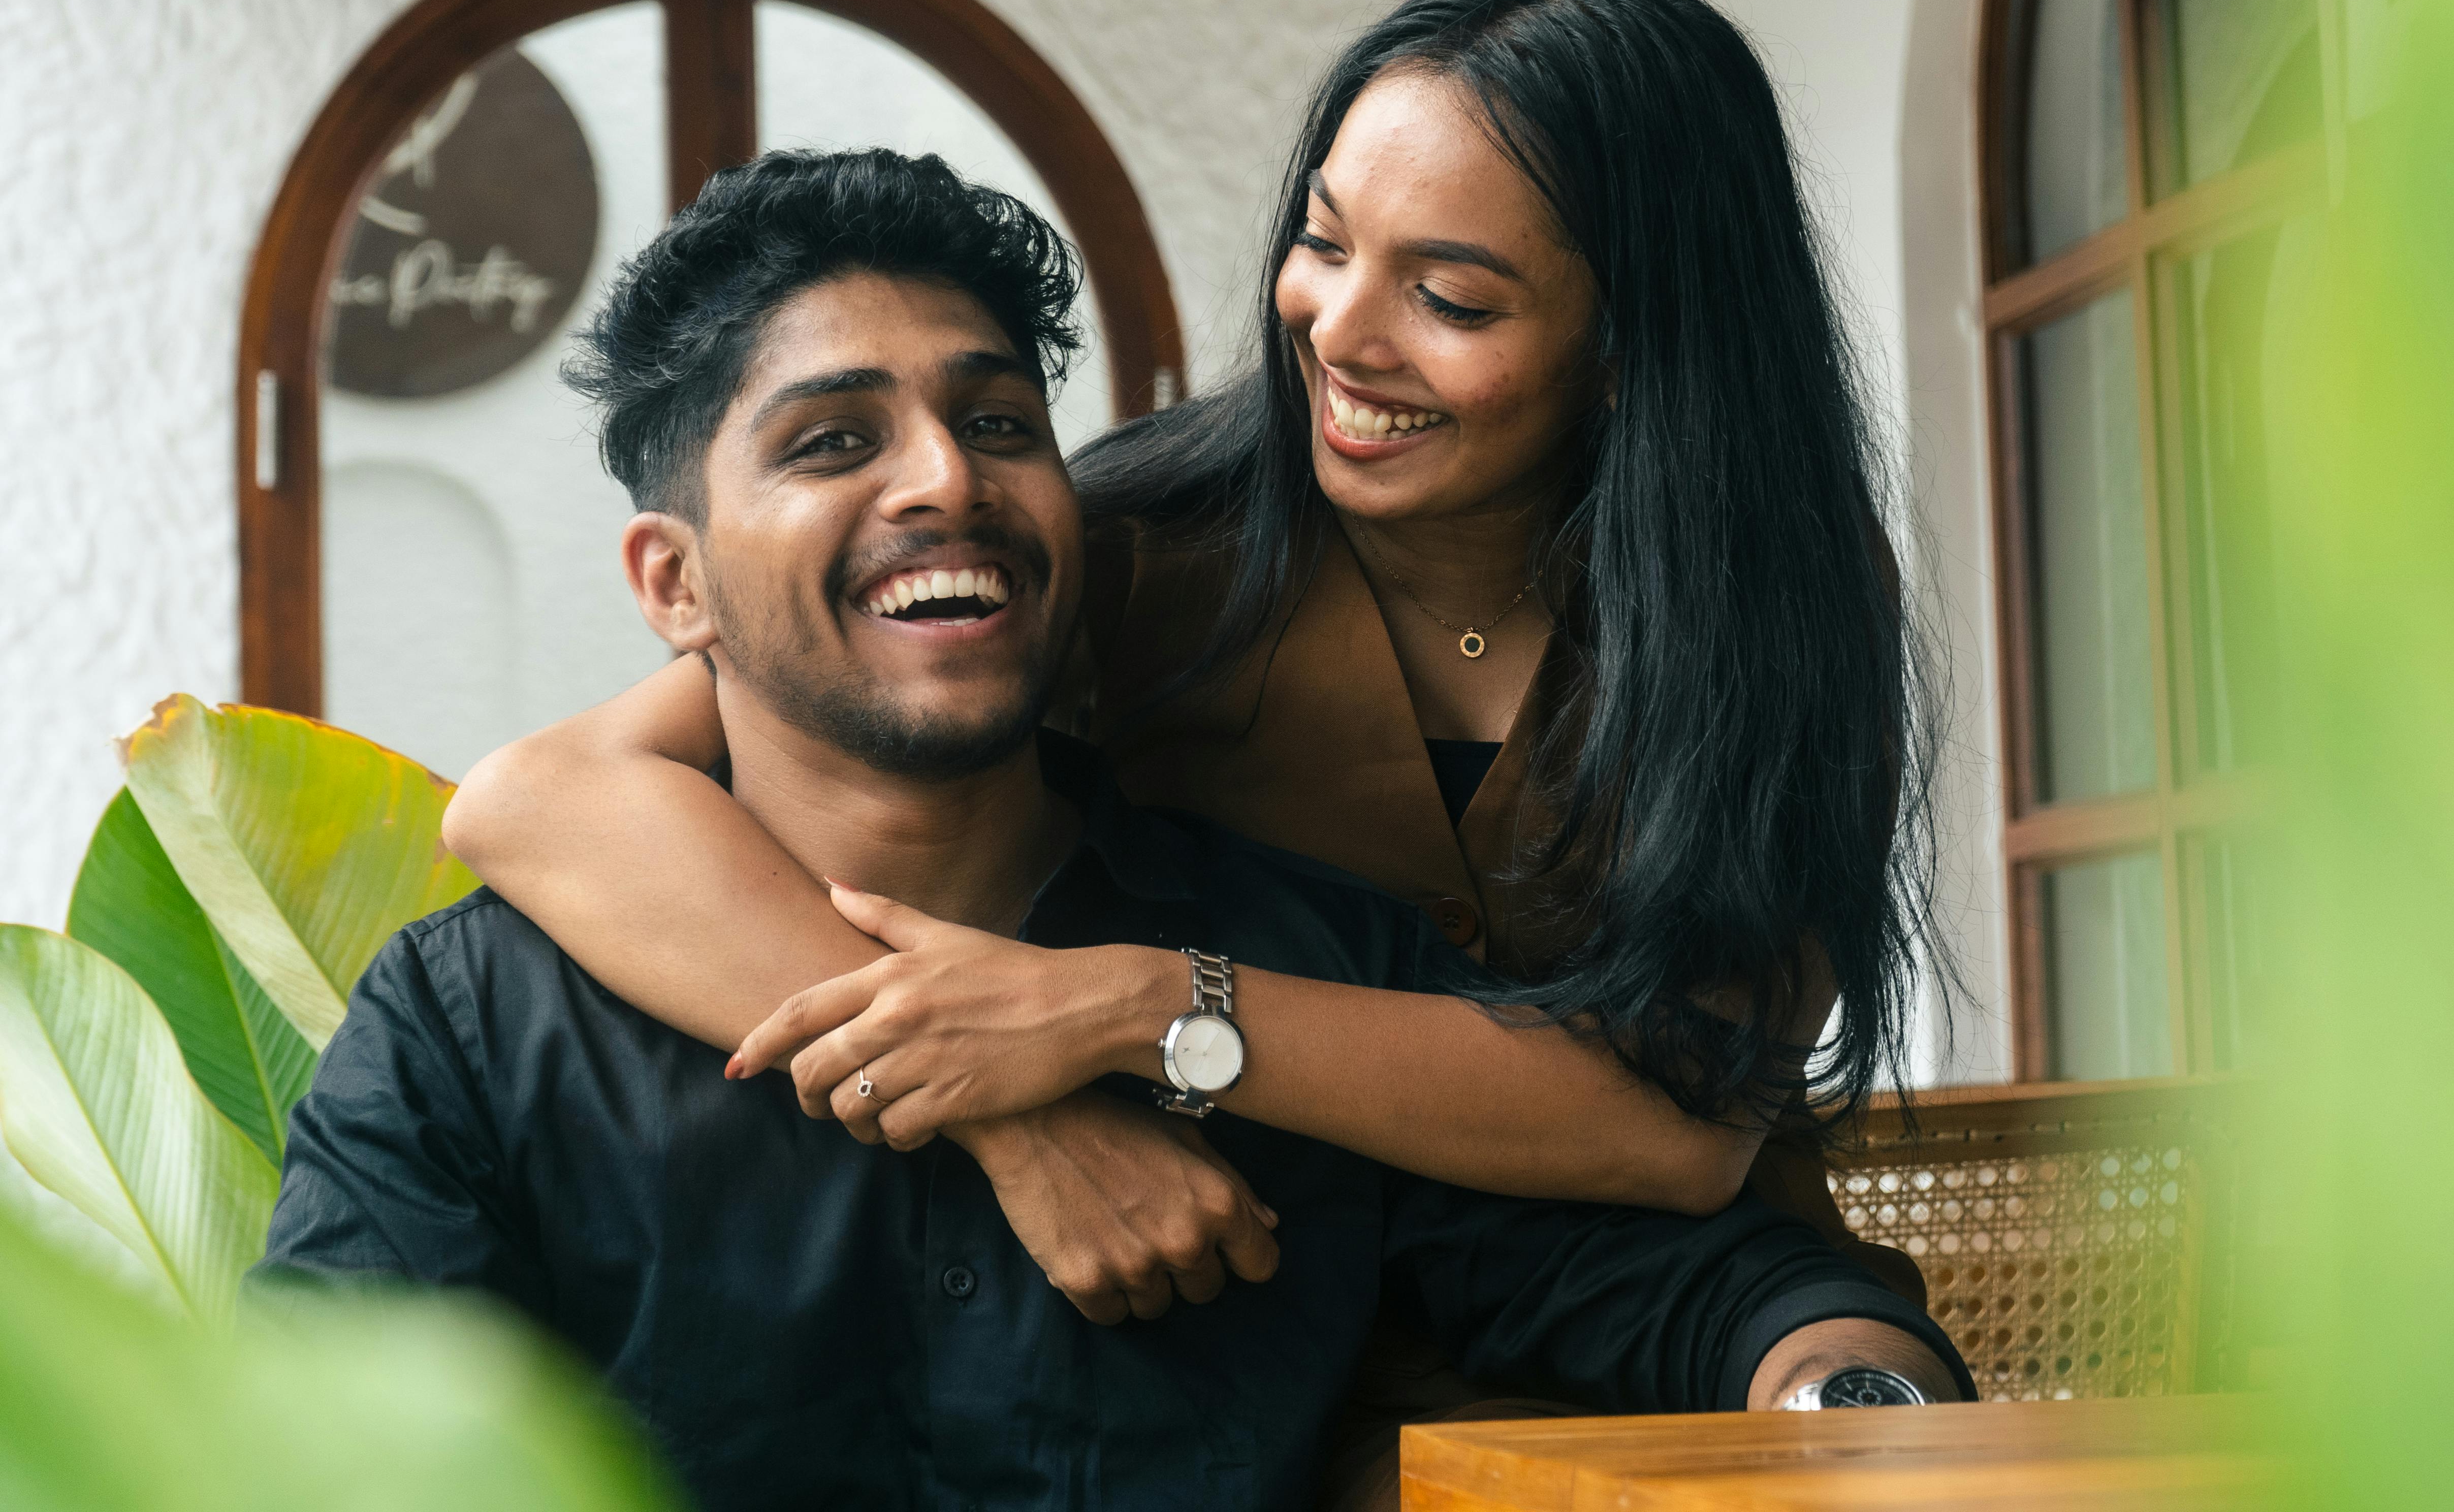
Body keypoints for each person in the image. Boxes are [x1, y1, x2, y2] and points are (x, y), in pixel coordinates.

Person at [260, 151, 1967, 1512]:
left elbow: (1678, 1285)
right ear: (674, 584)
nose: (946, 479)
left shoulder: (1299, 967)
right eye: (834, 441)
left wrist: (1850, 1396)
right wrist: (1023, 1124)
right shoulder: (473, 1036)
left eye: (1000, 424)